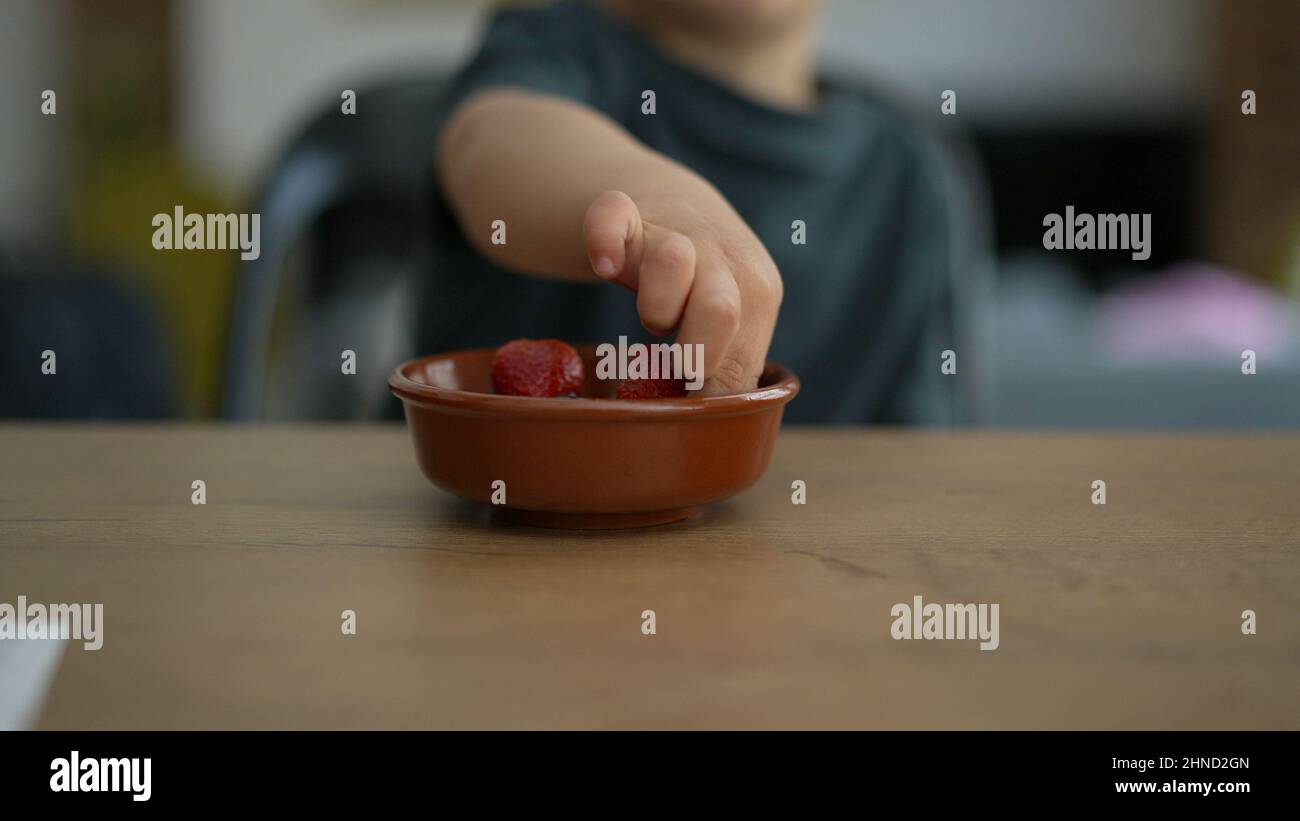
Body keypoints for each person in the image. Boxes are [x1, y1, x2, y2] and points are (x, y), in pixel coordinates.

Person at [425, 0, 958, 423]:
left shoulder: (911, 168)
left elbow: (921, 446)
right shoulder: (549, 47)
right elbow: (491, 138)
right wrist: (646, 191)